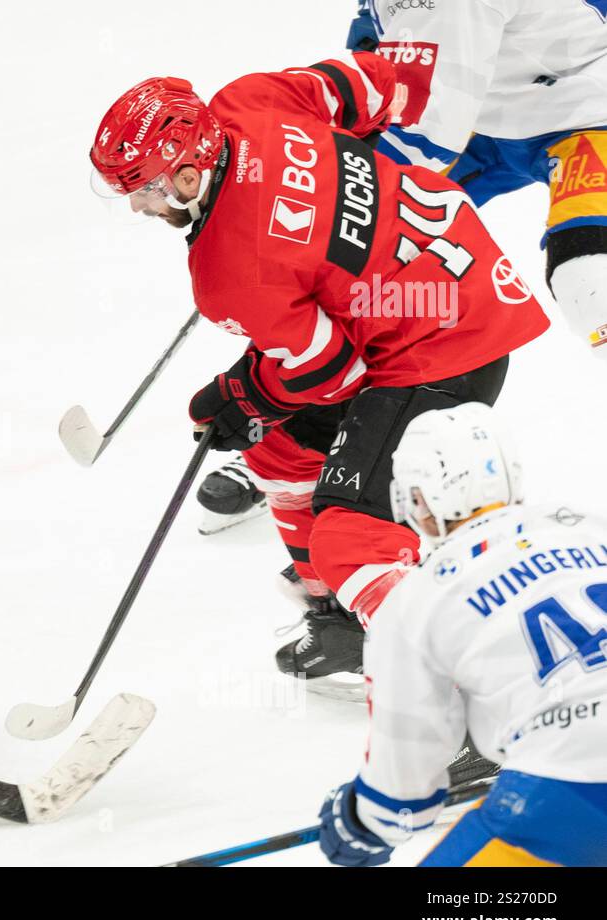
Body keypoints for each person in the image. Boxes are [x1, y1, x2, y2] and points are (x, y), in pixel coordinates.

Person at [89, 53, 550, 684]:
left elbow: (331, 374)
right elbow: (373, 83)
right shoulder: (247, 103)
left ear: (190, 175)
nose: (141, 208)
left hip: (442, 349)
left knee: (350, 537)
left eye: (145, 190)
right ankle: (340, 620)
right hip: (448, 267)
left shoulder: (228, 275)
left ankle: (480, 693)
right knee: (275, 445)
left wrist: (243, 393)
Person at [318, 403, 607, 867]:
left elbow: (403, 794)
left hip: (571, 793)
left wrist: (359, 823)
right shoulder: (593, 527)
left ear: (417, 500)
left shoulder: (416, 599)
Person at [345, 0, 607, 362]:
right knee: (356, 257)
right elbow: (379, 36)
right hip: (476, 121)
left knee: (591, 284)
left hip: (584, 109)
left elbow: (427, 133)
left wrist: (341, 186)